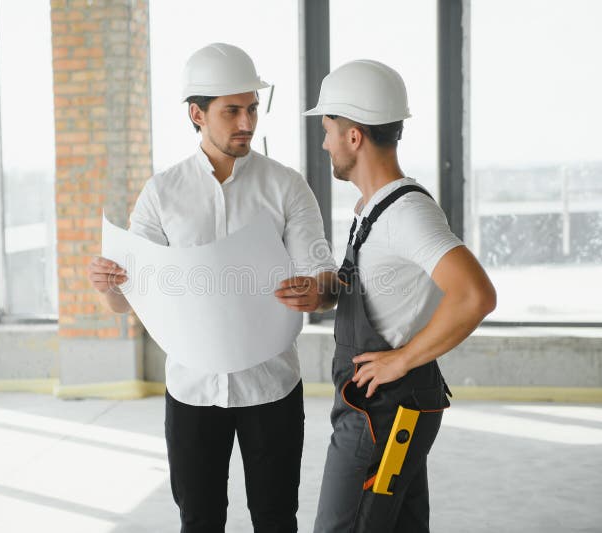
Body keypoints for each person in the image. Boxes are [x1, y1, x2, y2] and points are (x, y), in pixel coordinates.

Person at [87, 42, 338, 532]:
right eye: (232, 111)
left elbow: (325, 275)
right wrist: (107, 286)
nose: (247, 122)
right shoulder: (162, 193)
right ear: (197, 114)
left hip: (272, 385)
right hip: (192, 393)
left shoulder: (287, 186)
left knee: (275, 518)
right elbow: (130, 300)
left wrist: (320, 290)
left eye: (252, 108)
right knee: (199, 520)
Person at [303, 60, 497, 532]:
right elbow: (388, 293)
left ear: (354, 137)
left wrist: (401, 359)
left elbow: (475, 295)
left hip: (383, 411)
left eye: (328, 129)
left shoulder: (406, 213)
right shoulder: (374, 208)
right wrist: (324, 293)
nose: (324, 141)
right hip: (378, 405)